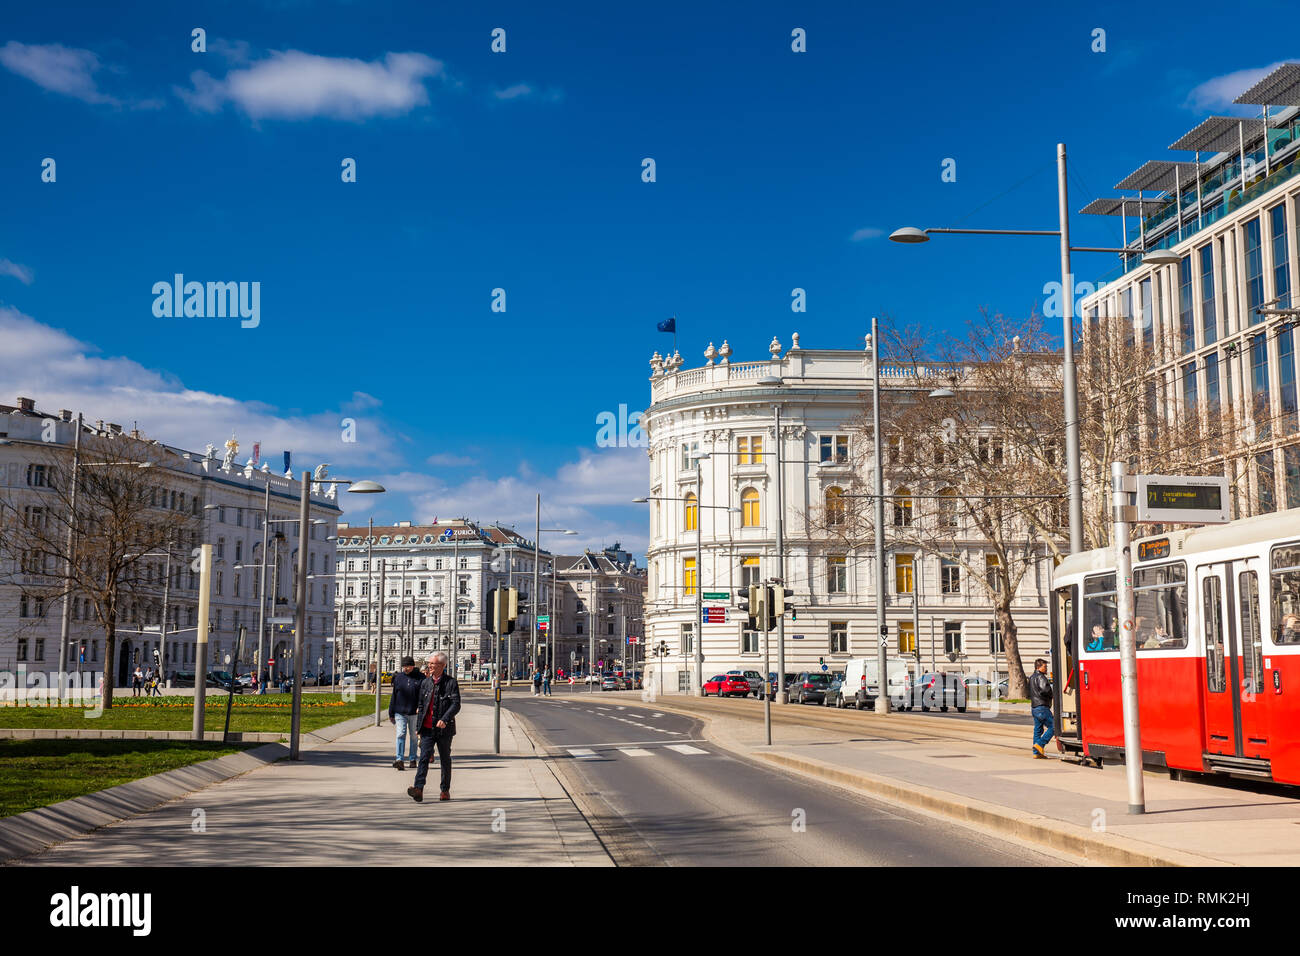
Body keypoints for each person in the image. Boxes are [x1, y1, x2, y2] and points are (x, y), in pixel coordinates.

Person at [407, 651, 461, 803]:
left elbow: (456, 704)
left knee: (445, 759)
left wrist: (445, 719)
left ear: (442, 666)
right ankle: (419, 789)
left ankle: (445, 790)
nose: (430, 666)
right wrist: (418, 726)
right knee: (424, 758)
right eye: (429, 663)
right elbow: (421, 704)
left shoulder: (451, 683)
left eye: (433, 664)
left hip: (444, 729)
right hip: (427, 728)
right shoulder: (425, 683)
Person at [388, 656, 424, 770]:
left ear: (413, 666)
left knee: (413, 736)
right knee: (400, 734)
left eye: (407, 666)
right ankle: (399, 759)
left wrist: (421, 708)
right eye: (404, 666)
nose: (405, 669)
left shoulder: (420, 678)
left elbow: (423, 696)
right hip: (400, 712)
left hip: (414, 712)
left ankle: (412, 758)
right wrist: (391, 713)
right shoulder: (399, 678)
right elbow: (394, 695)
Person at [1029, 658, 1054, 759]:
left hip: (1034, 707)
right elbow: (1045, 690)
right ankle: (1040, 744)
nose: (1046, 668)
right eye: (1045, 666)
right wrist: (1051, 694)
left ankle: (1036, 753)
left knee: (1038, 730)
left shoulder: (1031, 677)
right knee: (1054, 726)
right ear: (1038, 667)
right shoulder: (1041, 677)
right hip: (1042, 707)